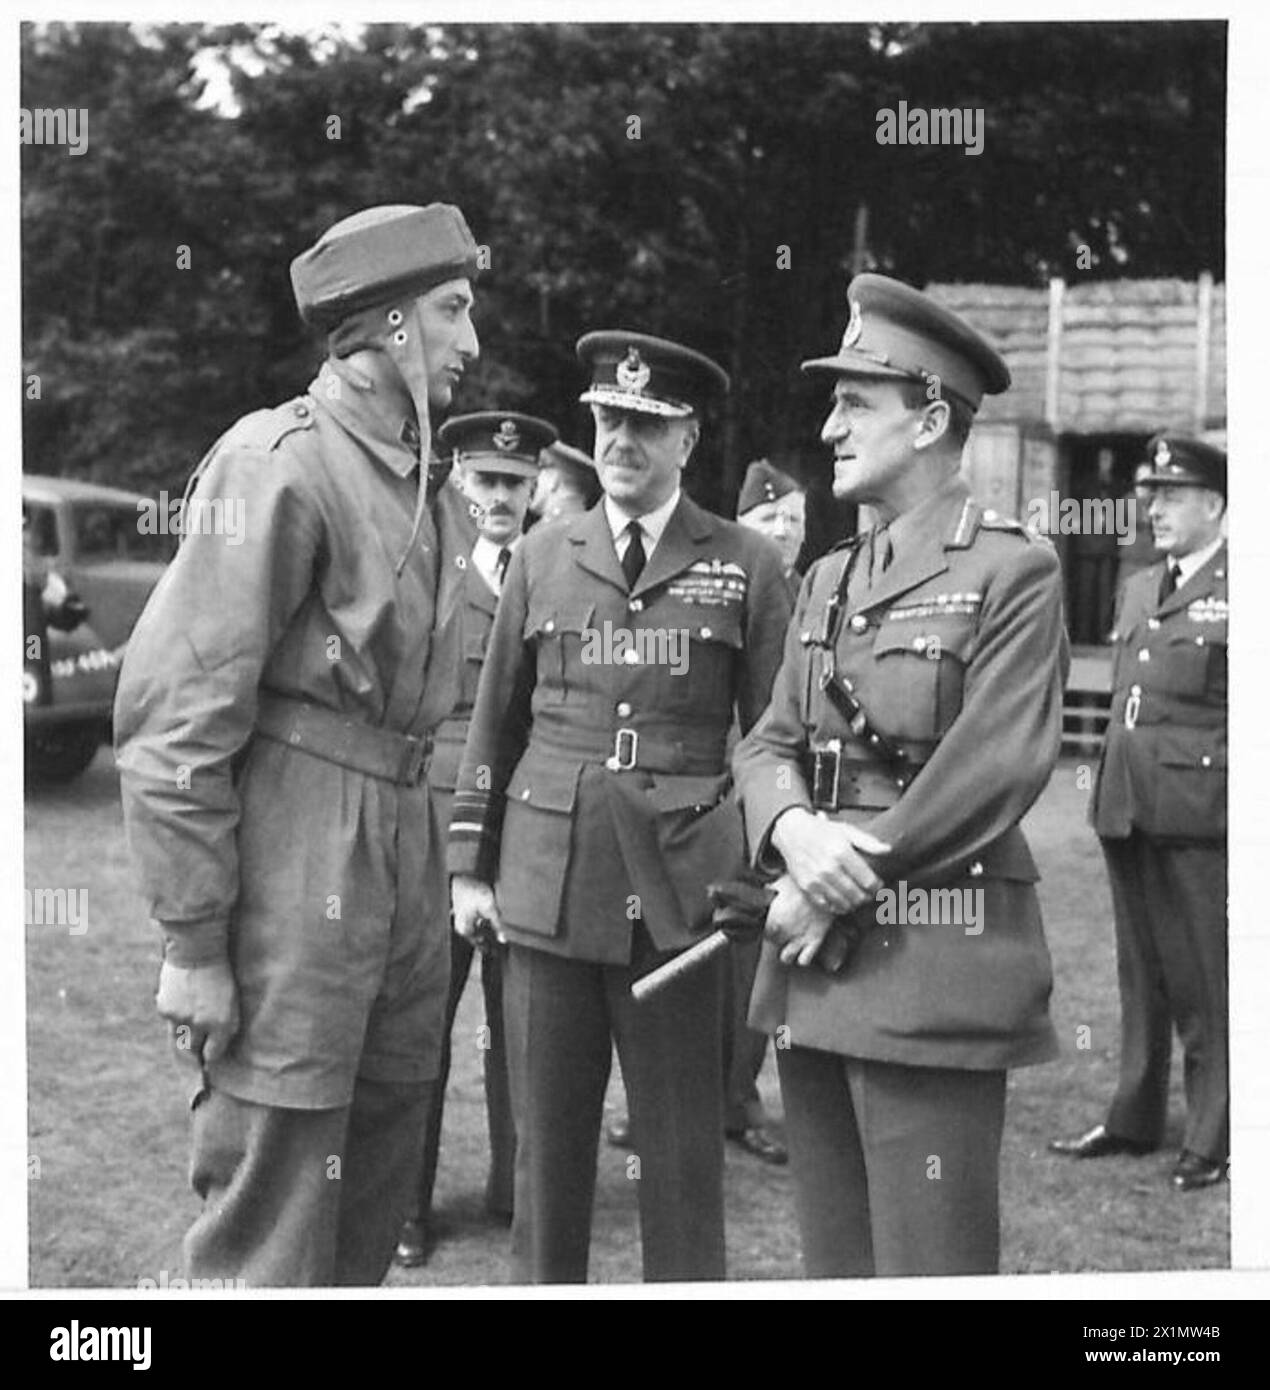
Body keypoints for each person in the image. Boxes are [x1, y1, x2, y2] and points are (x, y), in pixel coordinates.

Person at [114, 202, 483, 1286]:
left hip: (403, 867)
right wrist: (192, 945)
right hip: (296, 873)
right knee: (271, 1213)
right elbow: (179, 719)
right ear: (388, 330)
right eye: (453, 312)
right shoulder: (278, 464)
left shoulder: (427, 484)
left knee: (368, 1197)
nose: (473, 341)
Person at [733, 273, 1068, 1278]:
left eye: (854, 404)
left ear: (928, 422)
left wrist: (842, 877)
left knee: (929, 1264)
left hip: (933, 964)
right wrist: (795, 836)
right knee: (836, 1262)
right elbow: (765, 744)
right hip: (812, 963)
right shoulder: (830, 577)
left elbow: (994, 764)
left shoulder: (1013, 569)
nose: (829, 427)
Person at [447, 330, 793, 1283]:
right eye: (608, 419)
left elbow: (771, 739)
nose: (620, 441)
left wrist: (767, 874)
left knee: (681, 1158)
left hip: (682, 906)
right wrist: (470, 865)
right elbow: (494, 724)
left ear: (687, 437)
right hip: (549, 891)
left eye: (645, 424)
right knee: (546, 1157)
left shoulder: (748, 563)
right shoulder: (544, 553)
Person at [395, 410, 558, 1268]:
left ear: (537, 492)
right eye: (488, 480)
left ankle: (516, 1189)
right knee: (424, 1021)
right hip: (437, 827)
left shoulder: (552, 569)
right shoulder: (428, 565)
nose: (501, 497)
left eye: (516, 484)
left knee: (522, 1023)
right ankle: (406, 1204)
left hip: (528, 828)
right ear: (460, 477)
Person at [1050, 435, 1228, 1191]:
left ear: (1215, 505)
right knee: (1141, 974)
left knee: (1206, 978)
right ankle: (1134, 1115)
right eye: (1149, 494)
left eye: (1170, 495)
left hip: (1200, 810)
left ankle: (1216, 1134)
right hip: (1126, 802)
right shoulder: (1138, 586)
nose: (1151, 507)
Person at [736, 459, 807, 595]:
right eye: (769, 518)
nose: (782, 531)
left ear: (804, 531)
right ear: (742, 528)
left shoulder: (815, 598)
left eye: (793, 520)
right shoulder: (723, 596)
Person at [530, 439, 601, 521]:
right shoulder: (588, 526)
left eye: (541, 468)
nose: (529, 479)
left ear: (555, 478)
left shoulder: (551, 529)